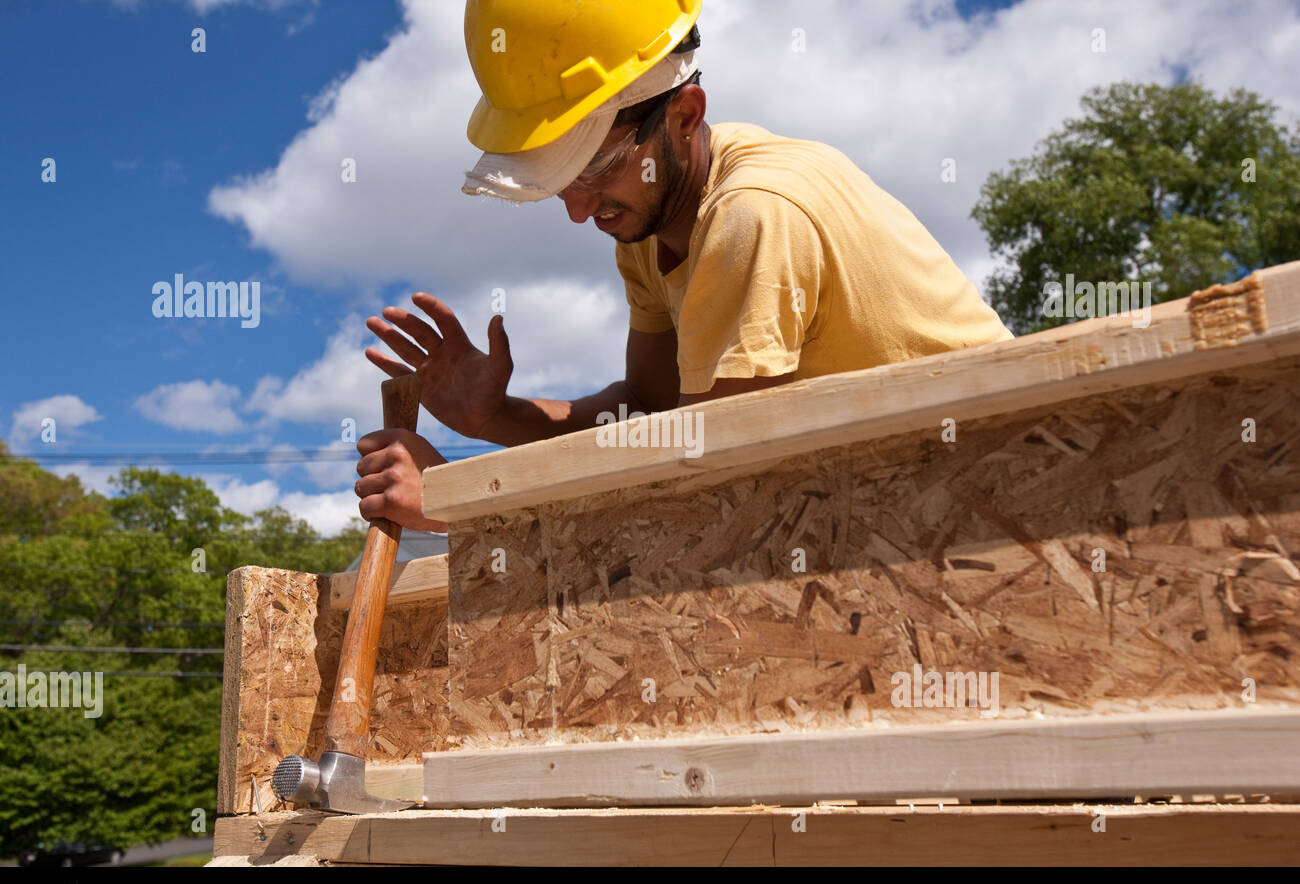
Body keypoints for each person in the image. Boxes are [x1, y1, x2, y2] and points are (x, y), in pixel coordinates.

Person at [354, 0, 1011, 532]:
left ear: (685, 115)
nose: (579, 213)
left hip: (1004, 497)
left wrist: (455, 500)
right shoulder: (647, 227)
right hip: (902, 511)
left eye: (599, 170)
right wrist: (496, 418)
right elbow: (649, 413)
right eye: (559, 183)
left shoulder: (753, 214)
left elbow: (707, 490)